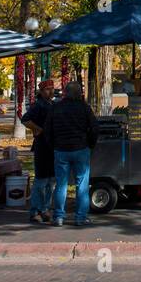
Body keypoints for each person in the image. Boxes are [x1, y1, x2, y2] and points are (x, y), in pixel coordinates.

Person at [43, 80, 98, 227]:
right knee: (82, 185)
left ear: (65, 93)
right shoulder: (84, 108)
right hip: (81, 149)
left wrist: (53, 145)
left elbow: (47, 130)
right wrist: (90, 144)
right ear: (79, 93)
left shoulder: (55, 108)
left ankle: (59, 217)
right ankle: (80, 217)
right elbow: (94, 128)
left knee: (61, 184)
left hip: (61, 149)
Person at [21, 79, 57, 223]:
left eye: (52, 88)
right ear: (41, 92)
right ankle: (35, 210)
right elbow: (25, 119)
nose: (51, 91)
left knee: (51, 181)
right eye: (47, 89)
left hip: (52, 147)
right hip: (42, 146)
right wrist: (37, 129)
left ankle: (45, 208)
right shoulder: (38, 105)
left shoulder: (53, 105)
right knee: (41, 181)